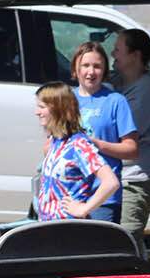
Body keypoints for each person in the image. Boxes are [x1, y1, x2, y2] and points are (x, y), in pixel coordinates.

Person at [69, 41, 136, 223]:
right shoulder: (66, 100)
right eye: (85, 65)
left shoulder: (116, 101)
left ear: (105, 70)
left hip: (104, 198)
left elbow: (132, 149)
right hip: (71, 194)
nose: (91, 72)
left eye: (97, 66)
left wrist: (97, 145)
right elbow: (51, 145)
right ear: (76, 68)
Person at [33, 81, 119, 223]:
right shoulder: (55, 142)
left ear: (57, 109)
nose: (37, 112)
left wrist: (84, 209)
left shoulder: (78, 144)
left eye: (42, 107)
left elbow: (111, 182)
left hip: (69, 227)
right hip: (49, 226)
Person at [110, 29, 150, 254]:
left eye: (118, 50)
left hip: (136, 177)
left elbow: (122, 133)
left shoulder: (145, 92)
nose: (112, 54)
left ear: (134, 56)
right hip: (116, 173)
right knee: (116, 237)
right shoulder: (116, 82)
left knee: (127, 239)